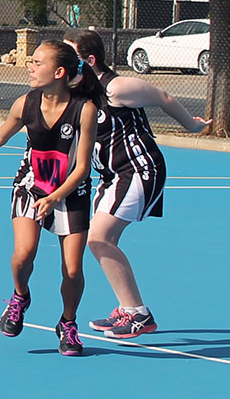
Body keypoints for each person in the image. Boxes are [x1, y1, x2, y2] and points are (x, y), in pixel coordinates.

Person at [0, 40, 98, 356]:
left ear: (59, 72)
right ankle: (20, 296)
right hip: (30, 187)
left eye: (37, 62)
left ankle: (68, 324)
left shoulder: (84, 110)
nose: (30, 67)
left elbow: (83, 168)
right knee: (23, 255)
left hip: (70, 193)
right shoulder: (25, 103)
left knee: (72, 269)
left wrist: (56, 196)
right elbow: (1, 134)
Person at [64, 28, 209, 339]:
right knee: (103, 241)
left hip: (138, 170)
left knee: (98, 239)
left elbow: (163, 97)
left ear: (90, 60)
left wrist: (192, 125)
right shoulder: (78, 93)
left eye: (70, 56)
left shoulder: (116, 88)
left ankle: (138, 314)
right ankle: (128, 309)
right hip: (111, 176)